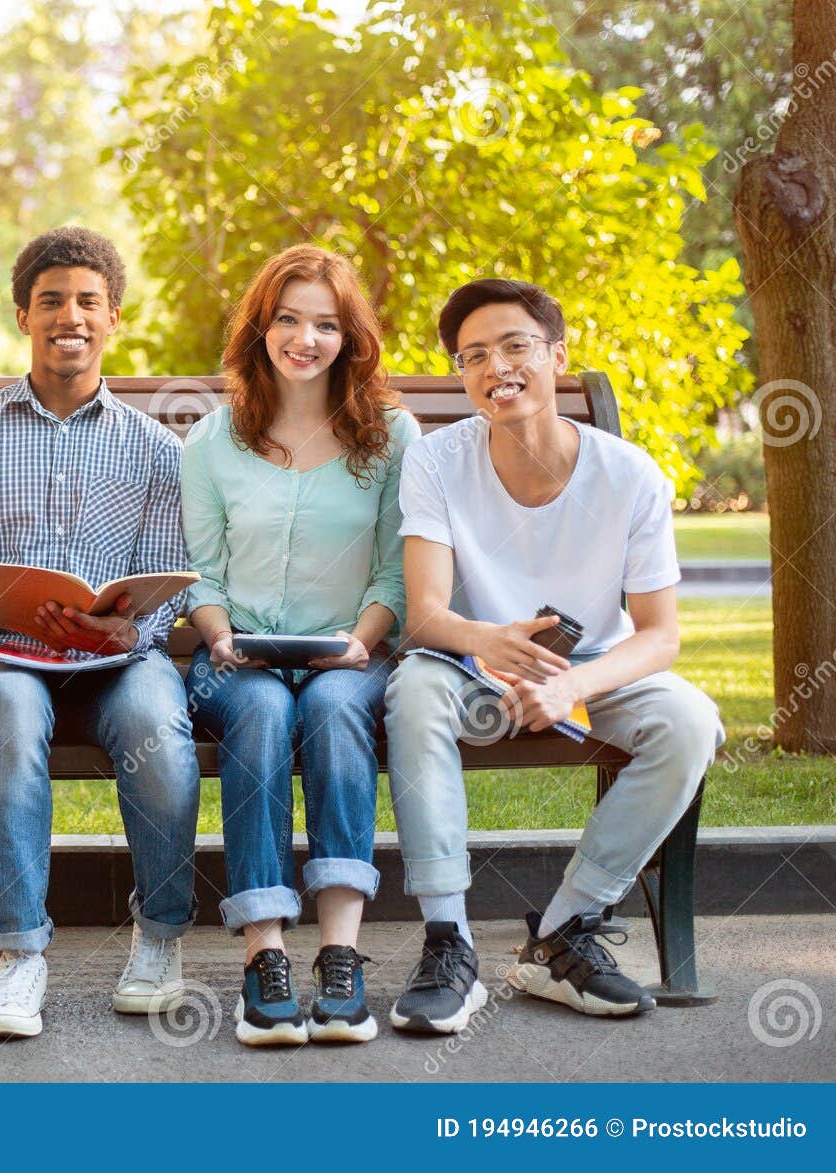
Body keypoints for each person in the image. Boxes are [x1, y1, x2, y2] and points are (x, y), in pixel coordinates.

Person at [385, 278, 724, 1033]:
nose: (495, 366)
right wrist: (486, 639)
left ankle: (562, 933)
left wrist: (571, 679)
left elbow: (661, 635)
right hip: (468, 669)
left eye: (514, 346)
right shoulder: (436, 461)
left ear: (557, 356)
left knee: (691, 721)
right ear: (463, 375)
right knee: (412, 691)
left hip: (591, 667)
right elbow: (427, 616)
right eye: (473, 356)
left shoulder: (630, 474)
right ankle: (449, 941)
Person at [0, 227, 199, 1039]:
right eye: (52, 301)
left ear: (114, 318)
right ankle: (19, 954)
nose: (70, 315)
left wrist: (124, 632)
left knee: (155, 726)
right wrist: (17, 610)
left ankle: (160, 936)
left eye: (88, 302)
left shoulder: (155, 447)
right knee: (14, 716)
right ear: (23, 316)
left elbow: (168, 584)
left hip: (115, 658)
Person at [182, 244, 419, 1046]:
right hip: (234, 661)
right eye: (288, 319)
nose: (304, 338)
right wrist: (218, 640)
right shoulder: (214, 439)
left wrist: (360, 643)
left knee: (333, 706)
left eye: (325, 323)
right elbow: (200, 577)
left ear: (350, 338)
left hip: (351, 654)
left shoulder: (391, 435)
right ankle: (266, 956)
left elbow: (395, 572)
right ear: (261, 328)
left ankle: (342, 959)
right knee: (255, 711)